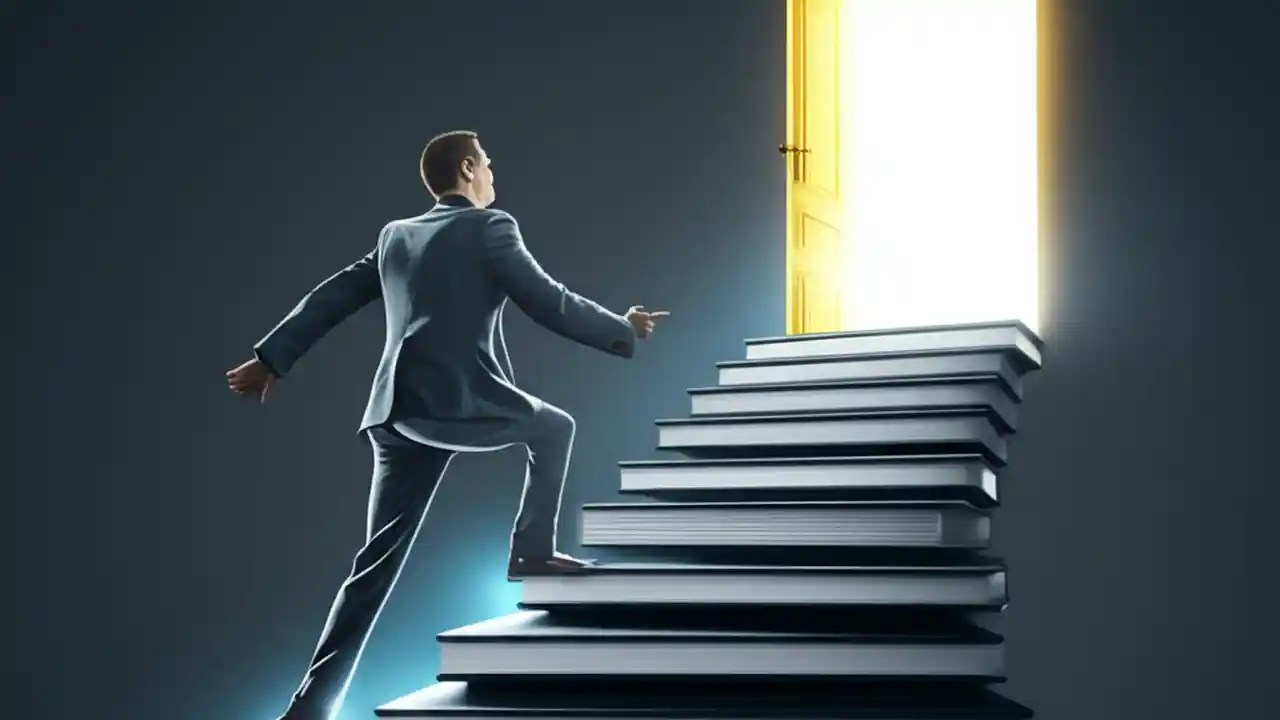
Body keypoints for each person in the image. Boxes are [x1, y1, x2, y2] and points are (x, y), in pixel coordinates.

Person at [223, 129, 668, 720]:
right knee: (554, 427)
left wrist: (271, 358)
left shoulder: (396, 236)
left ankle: (308, 709)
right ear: (466, 168)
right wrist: (621, 326)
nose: (491, 173)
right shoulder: (492, 227)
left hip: (395, 414)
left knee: (372, 567)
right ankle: (531, 552)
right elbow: (547, 299)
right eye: (486, 162)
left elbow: (333, 295)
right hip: (456, 400)